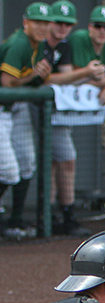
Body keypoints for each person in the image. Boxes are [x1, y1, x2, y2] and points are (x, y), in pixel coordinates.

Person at [37, 0, 105, 237]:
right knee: (33, 165)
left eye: (67, 23)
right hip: (26, 111)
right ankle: (43, 217)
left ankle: (59, 216)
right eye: (58, 22)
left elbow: (67, 77)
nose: (62, 27)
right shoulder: (37, 45)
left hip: (55, 115)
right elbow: (46, 80)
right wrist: (88, 72)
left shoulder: (64, 45)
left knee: (60, 161)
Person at [0, 2, 53, 240]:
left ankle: (16, 220)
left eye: (45, 23)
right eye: (37, 22)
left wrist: (36, 78)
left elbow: (28, 81)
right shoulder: (19, 42)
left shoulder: (39, 45)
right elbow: (7, 83)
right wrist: (34, 76)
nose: (42, 27)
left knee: (27, 163)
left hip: (16, 109)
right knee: (9, 171)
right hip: (2, 108)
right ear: (25, 23)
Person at [69, 5, 105, 106]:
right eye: (98, 26)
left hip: (88, 105)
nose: (102, 31)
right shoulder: (80, 38)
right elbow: (77, 78)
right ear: (90, 26)